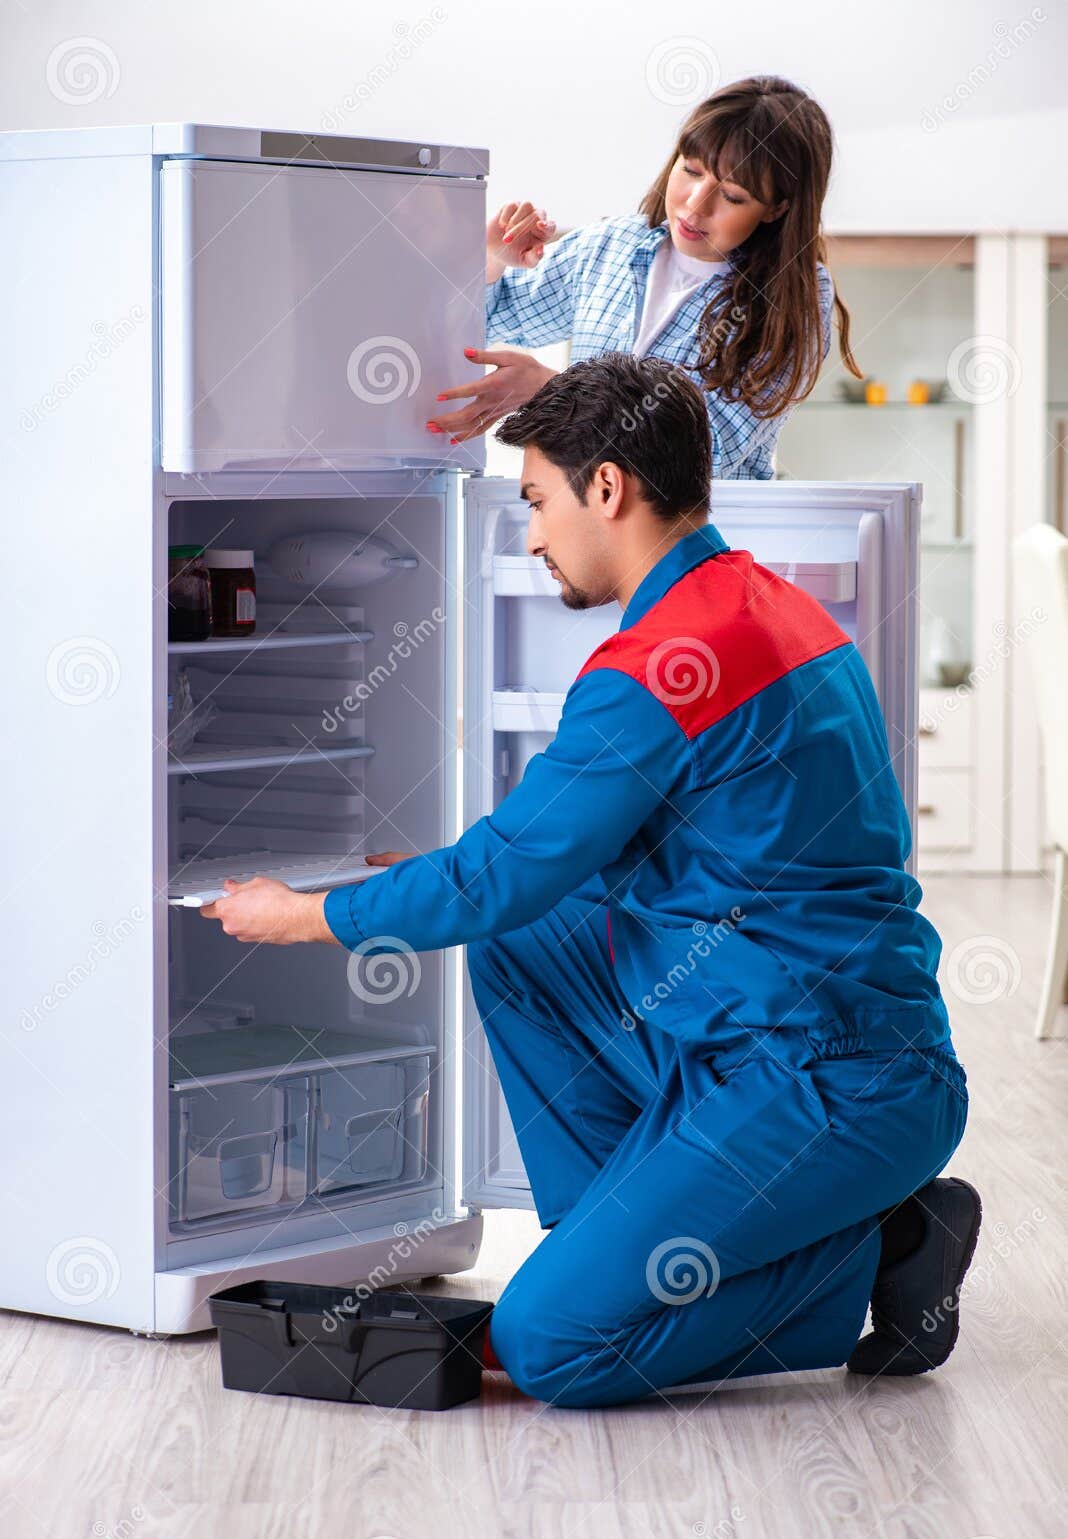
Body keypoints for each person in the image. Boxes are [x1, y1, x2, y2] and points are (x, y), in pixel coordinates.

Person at [200, 353, 980, 1411]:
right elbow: (556, 863)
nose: (529, 533)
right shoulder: (766, 607)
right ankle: (622, 1235)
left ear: (606, 488)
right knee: (526, 937)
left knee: (548, 1346)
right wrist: (439, 874)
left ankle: (890, 1246)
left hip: (826, 1079)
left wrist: (302, 916)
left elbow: (508, 873)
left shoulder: (661, 664)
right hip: (823, 1033)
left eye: (535, 500)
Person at [426, 73, 863, 480]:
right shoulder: (611, 246)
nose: (695, 206)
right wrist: (493, 259)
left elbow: (709, 455)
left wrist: (555, 391)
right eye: (691, 170)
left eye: (732, 196)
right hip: (585, 535)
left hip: (703, 549)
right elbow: (483, 321)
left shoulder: (795, 294)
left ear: (777, 208)